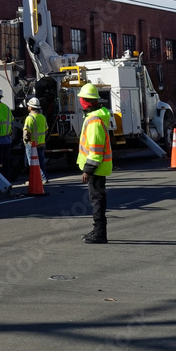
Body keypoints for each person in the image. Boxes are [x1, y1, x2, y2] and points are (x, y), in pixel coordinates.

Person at [77, 82, 112, 244]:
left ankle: (99, 233)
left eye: (81, 99)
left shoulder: (94, 121)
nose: (79, 102)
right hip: (98, 167)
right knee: (97, 199)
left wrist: (88, 170)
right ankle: (98, 231)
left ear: (86, 101)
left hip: (96, 168)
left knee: (97, 200)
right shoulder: (95, 118)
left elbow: (96, 149)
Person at [23, 97, 48, 184]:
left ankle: (42, 178)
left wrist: (26, 141)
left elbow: (26, 133)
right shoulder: (42, 117)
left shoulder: (29, 118)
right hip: (41, 143)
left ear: (31, 107)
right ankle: (42, 177)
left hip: (32, 144)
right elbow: (46, 130)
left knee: (33, 163)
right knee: (41, 162)